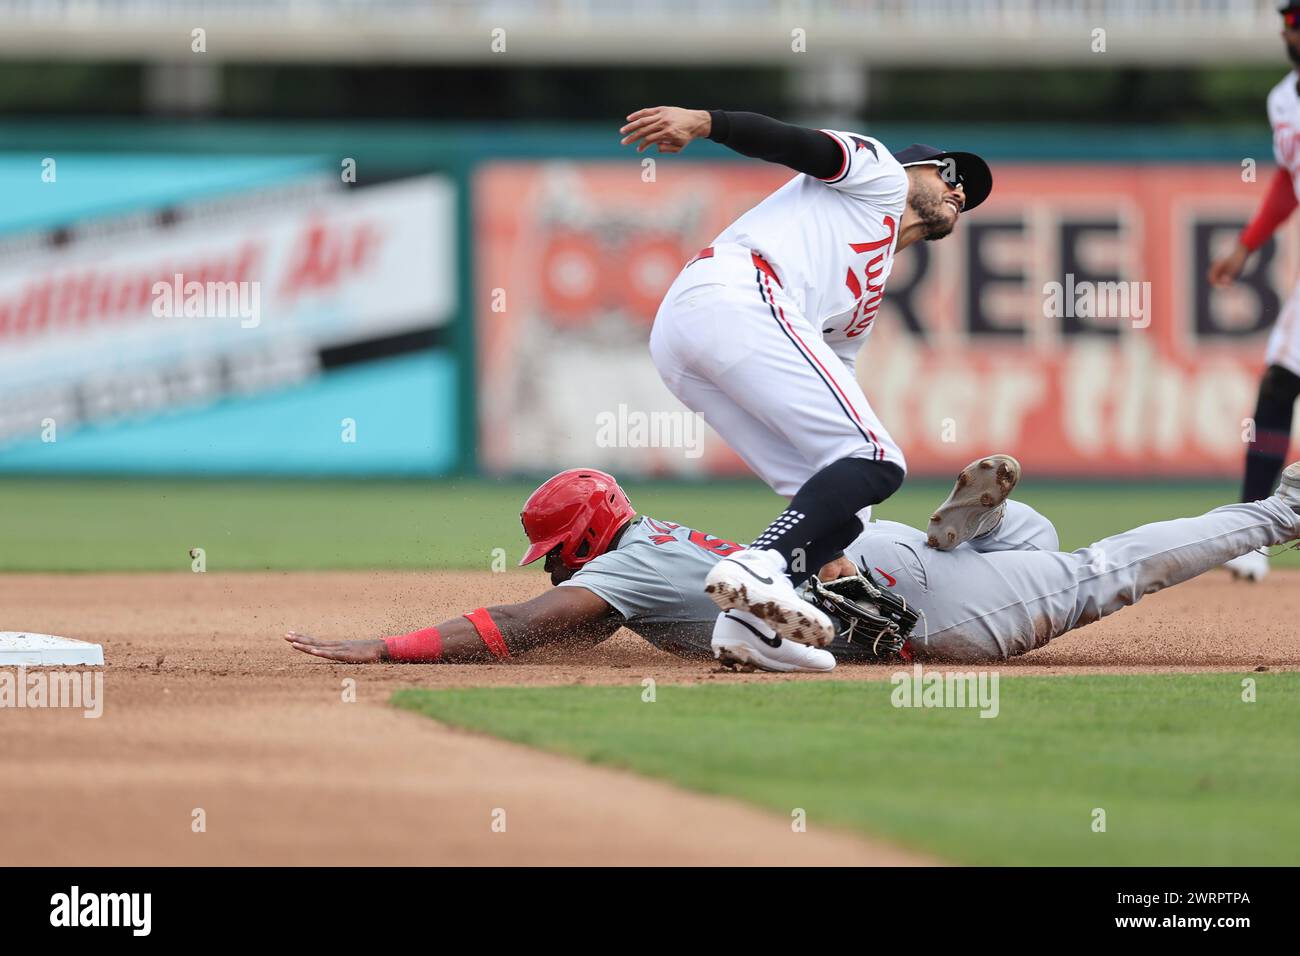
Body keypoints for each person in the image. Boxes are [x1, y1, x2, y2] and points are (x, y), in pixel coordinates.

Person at [285, 459, 1300, 671]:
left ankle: (1281, 508)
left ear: (587, 538)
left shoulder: (620, 575)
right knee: (1029, 540)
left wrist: (383, 647)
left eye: (557, 554)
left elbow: (518, 624)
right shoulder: (657, 537)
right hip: (876, 550)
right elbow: (565, 626)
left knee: (1105, 569)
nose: (553, 572)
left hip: (914, 605)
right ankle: (968, 525)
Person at [621, 105, 993, 647]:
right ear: (911, 168)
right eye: (950, 173)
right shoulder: (881, 175)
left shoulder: (866, 295)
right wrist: (706, 122)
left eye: (969, 194)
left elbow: (836, 369)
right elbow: (797, 145)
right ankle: (756, 566)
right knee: (879, 460)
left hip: (686, 339)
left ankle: (748, 626)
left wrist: (834, 547)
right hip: (738, 290)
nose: (960, 191)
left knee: (846, 506)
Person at [1207, 0, 1300, 583]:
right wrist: (1247, 244)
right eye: (1288, 20)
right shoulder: (1283, 99)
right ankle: (1251, 531)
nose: (1290, 28)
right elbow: (1291, 179)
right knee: (1280, 381)